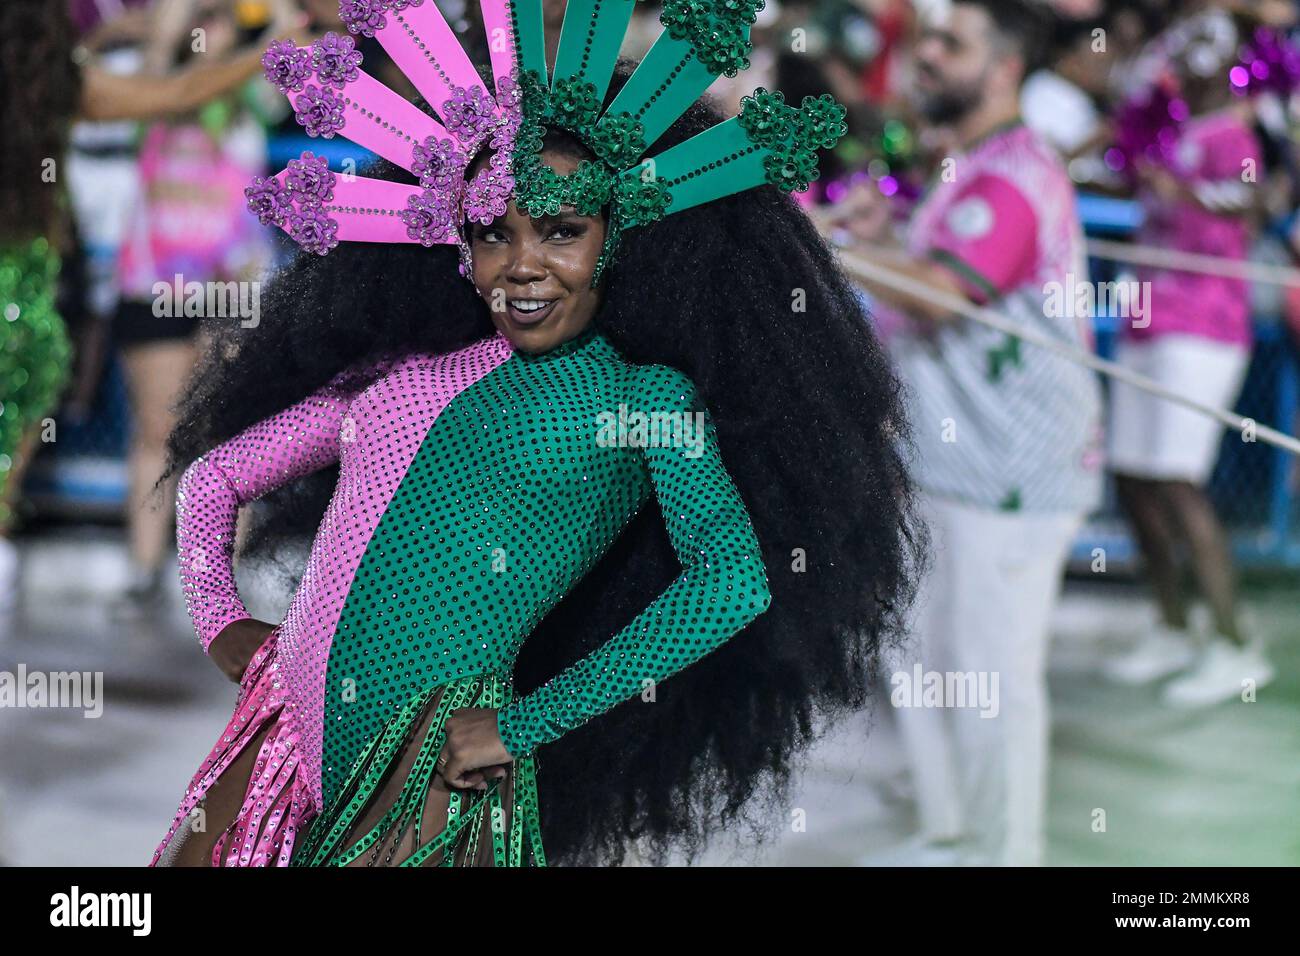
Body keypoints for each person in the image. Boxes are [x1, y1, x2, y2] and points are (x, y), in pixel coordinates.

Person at [148, 0, 921, 867]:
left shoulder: (644, 399)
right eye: (494, 233)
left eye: (562, 231)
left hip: (435, 766)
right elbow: (214, 477)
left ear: (620, 239)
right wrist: (222, 622)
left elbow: (730, 581)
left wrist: (521, 726)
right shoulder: (401, 376)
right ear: (456, 240)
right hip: (276, 739)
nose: (523, 263)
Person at [825, 0, 1103, 866]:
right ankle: (951, 835)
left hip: (1012, 474)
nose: (926, 57)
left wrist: (818, 249)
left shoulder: (1013, 176)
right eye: (926, 40)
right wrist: (885, 235)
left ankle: (1002, 853)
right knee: (924, 659)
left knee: (990, 679)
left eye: (952, 44)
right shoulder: (971, 164)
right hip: (952, 462)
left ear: (1007, 68)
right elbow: (932, 276)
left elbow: (945, 293)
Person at [0, 0, 309, 625]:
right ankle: (141, 573)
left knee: (227, 435)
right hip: (49, 302)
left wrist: (262, 45)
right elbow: (176, 87)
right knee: (139, 433)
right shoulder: (68, 86)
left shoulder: (238, 102)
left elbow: (189, 87)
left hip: (209, 286)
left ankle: (222, 585)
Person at [1102, 7, 1274, 705]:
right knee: (1135, 479)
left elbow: (1248, 200)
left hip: (1202, 326)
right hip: (1148, 322)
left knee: (1176, 481)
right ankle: (1173, 627)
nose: (1187, 65)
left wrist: (1187, 191)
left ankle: (1234, 644)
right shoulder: (1170, 132)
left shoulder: (1235, 132)